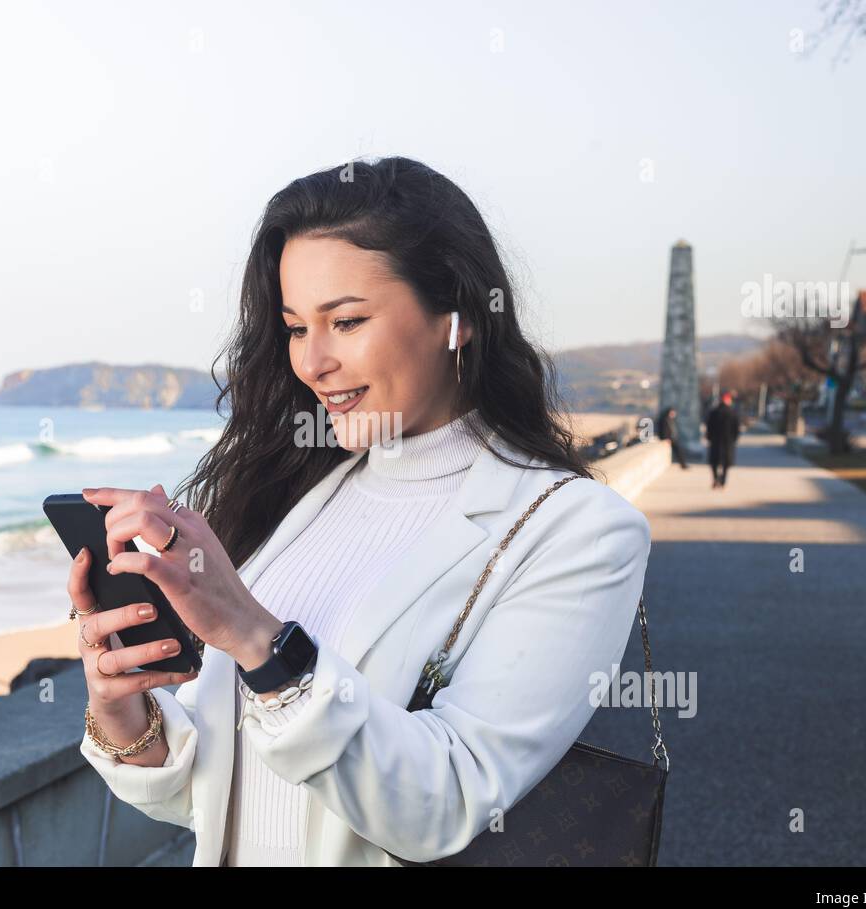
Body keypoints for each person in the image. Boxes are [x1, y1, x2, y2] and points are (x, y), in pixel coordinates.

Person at [68, 156, 652, 866]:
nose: (311, 363)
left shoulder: (580, 531)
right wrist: (123, 710)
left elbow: (447, 801)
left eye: (344, 321)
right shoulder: (307, 498)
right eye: (292, 328)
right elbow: (217, 793)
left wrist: (254, 635)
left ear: (457, 320)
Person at [705, 390, 740, 488]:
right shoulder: (733, 413)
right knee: (726, 463)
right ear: (728, 400)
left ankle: (716, 478)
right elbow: (736, 428)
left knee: (714, 462)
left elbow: (709, 426)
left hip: (715, 441)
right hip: (728, 442)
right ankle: (723, 480)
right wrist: (734, 439)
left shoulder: (714, 412)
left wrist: (709, 437)